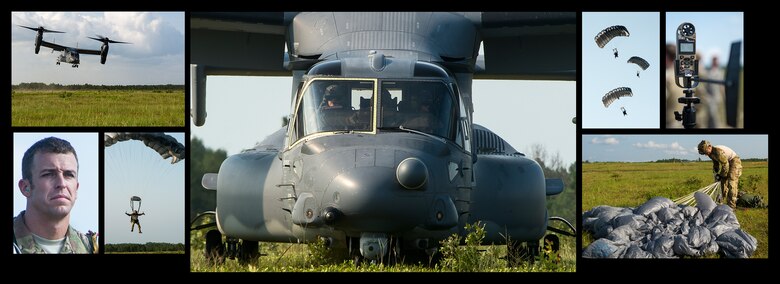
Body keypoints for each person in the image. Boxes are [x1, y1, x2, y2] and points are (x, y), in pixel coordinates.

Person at [13, 137, 96, 254]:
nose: (62, 184)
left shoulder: (90, 248)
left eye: (69, 175)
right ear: (25, 187)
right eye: (48, 174)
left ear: (76, 189)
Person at [698, 140, 742, 209]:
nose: (706, 155)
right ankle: (719, 203)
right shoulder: (710, 154)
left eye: (706, 152)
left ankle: (731, 206)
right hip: (727, 163)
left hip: (734, 161)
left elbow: (725, 165)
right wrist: (716, 173)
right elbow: (716, 164)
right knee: (721, 183)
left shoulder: (718, 152)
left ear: (709, 147)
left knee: (732, 182)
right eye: (704, 153)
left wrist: (721, 175)